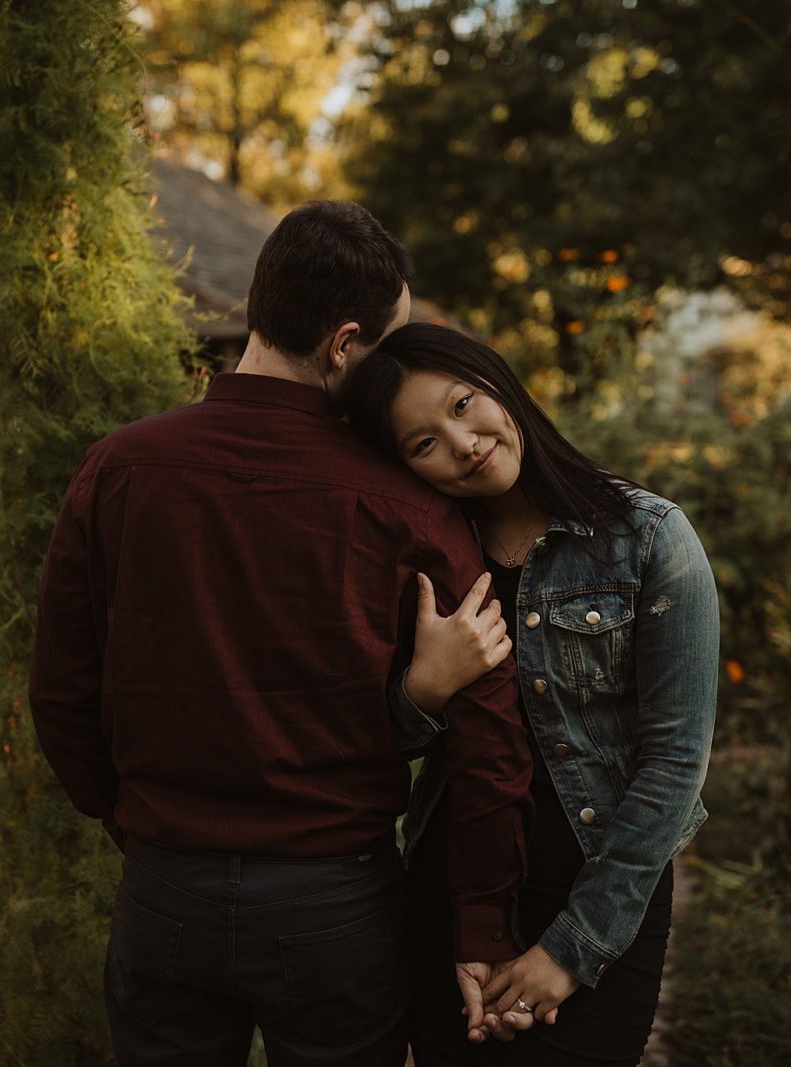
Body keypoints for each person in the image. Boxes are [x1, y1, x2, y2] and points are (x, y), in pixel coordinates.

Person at [27, 203, 534, 1066]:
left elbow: (60, 688)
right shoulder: (408, 505)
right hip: (332, 904)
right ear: (343, 345)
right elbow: (491, 735)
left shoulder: (120, 469)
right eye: (388, 344)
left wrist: (139, 828)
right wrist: (481, 920)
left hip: (165, 893)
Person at [346, 322, 719, 1066]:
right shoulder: (421, 567)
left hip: (603, 893)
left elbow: (676, 762)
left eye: (461, 403)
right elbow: (375, 744)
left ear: (496, 382)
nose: (462, 442)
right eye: (422, 443)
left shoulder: (649, 539)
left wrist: (571, 949)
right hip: (456, 897)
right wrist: (426, 687)